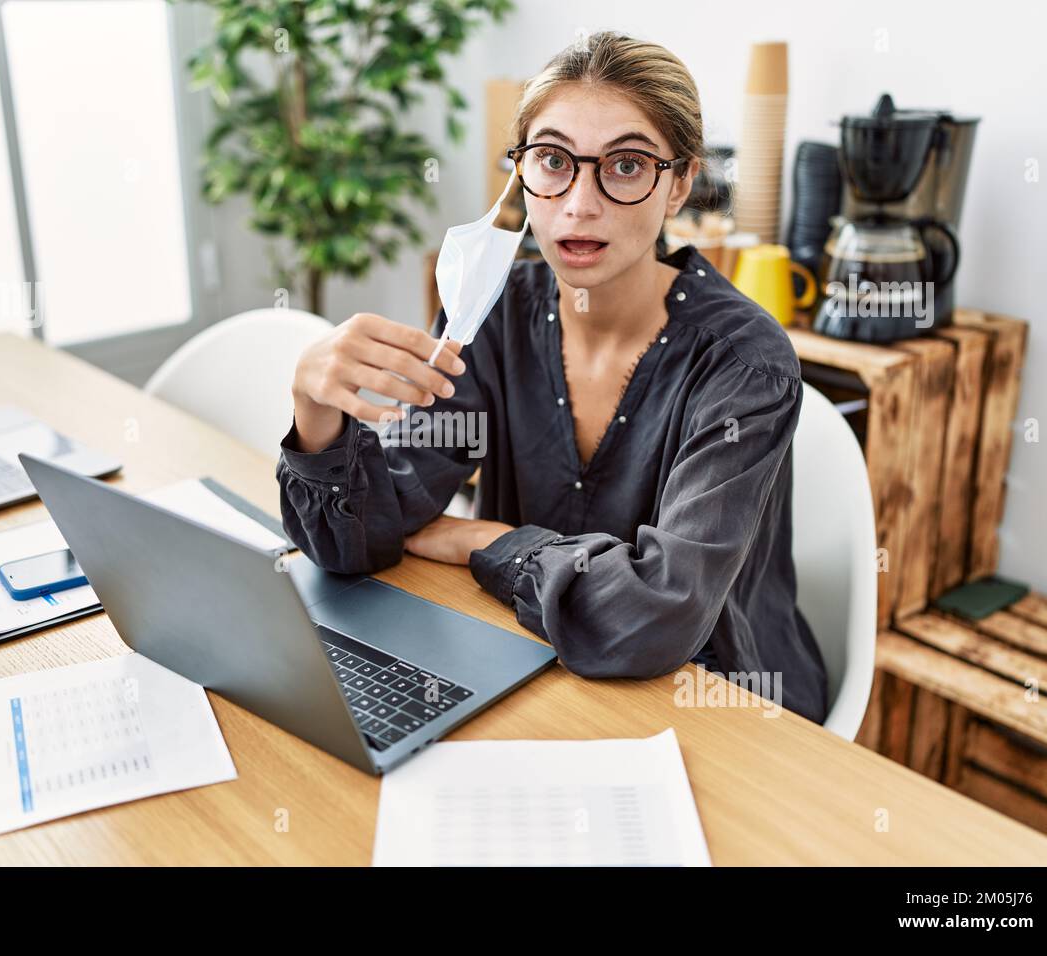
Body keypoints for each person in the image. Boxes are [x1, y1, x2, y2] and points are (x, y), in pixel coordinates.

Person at [275, 32, 828, 723]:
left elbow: (657, 615)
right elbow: (363, 539)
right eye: (552, 161)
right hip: (533, 668)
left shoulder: (744, 363)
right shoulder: (493, 315)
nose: (579, 203)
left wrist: (484, 539)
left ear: (680, 182)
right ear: (522, 172)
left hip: (720, 698)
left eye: (625, 166)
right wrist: (314, 409)